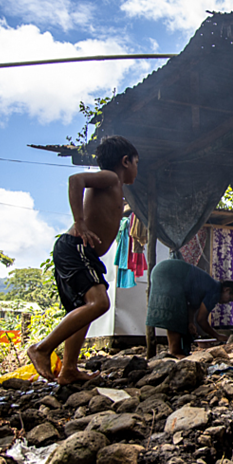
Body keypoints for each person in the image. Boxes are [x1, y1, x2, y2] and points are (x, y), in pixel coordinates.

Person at [28, 136, 139, 384]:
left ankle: (69, 369)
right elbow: (76, 180)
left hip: (81, 252)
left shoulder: (117, 190)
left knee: (82, 311)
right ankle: (42, 348)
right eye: (136, 163)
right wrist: (79, 222)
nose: (137, 169)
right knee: (100, 303)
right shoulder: (110, 177)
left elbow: (108, 213)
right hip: (75, 247)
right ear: (125, 161)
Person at [146, 259, 233, 357]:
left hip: (162, 269)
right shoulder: (215, 290)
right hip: (169, 273)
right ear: (226, 290)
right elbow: (201, 319)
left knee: (180, 312)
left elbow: (192, 306)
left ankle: (177, 350)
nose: (226, 302)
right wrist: (217, 335)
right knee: (175, 315)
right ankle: (175, 351)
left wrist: (190, 322)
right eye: (229, 299)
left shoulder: (208, 286)